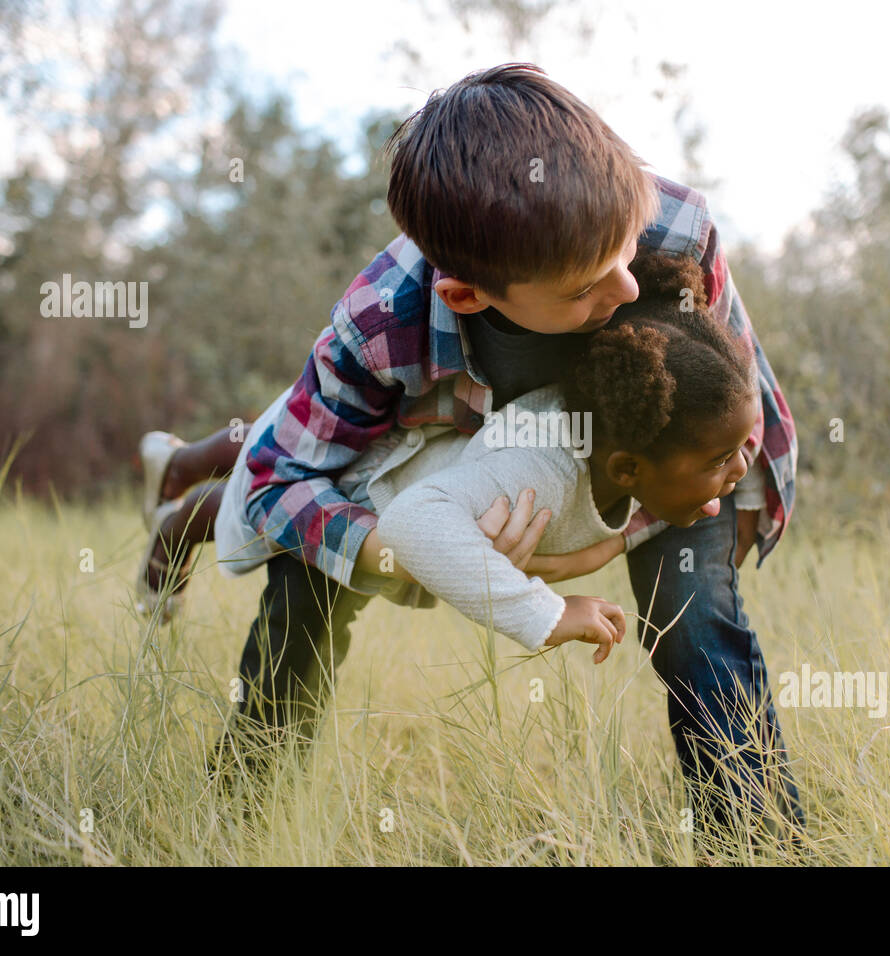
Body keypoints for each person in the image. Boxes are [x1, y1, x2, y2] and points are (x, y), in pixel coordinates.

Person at [146, 63, 805, 844]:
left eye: (627, 252)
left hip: (649, 453)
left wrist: (730, 503)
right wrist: (407, 551)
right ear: (467, 294)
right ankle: (239, 821)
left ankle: (760, 842)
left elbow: (734, 378)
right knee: (303, 588)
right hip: (447, 447)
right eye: (587, 288)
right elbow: (278, 483)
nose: (628, 290)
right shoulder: (381, 320)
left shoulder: (675, 225)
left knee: (699, 619)